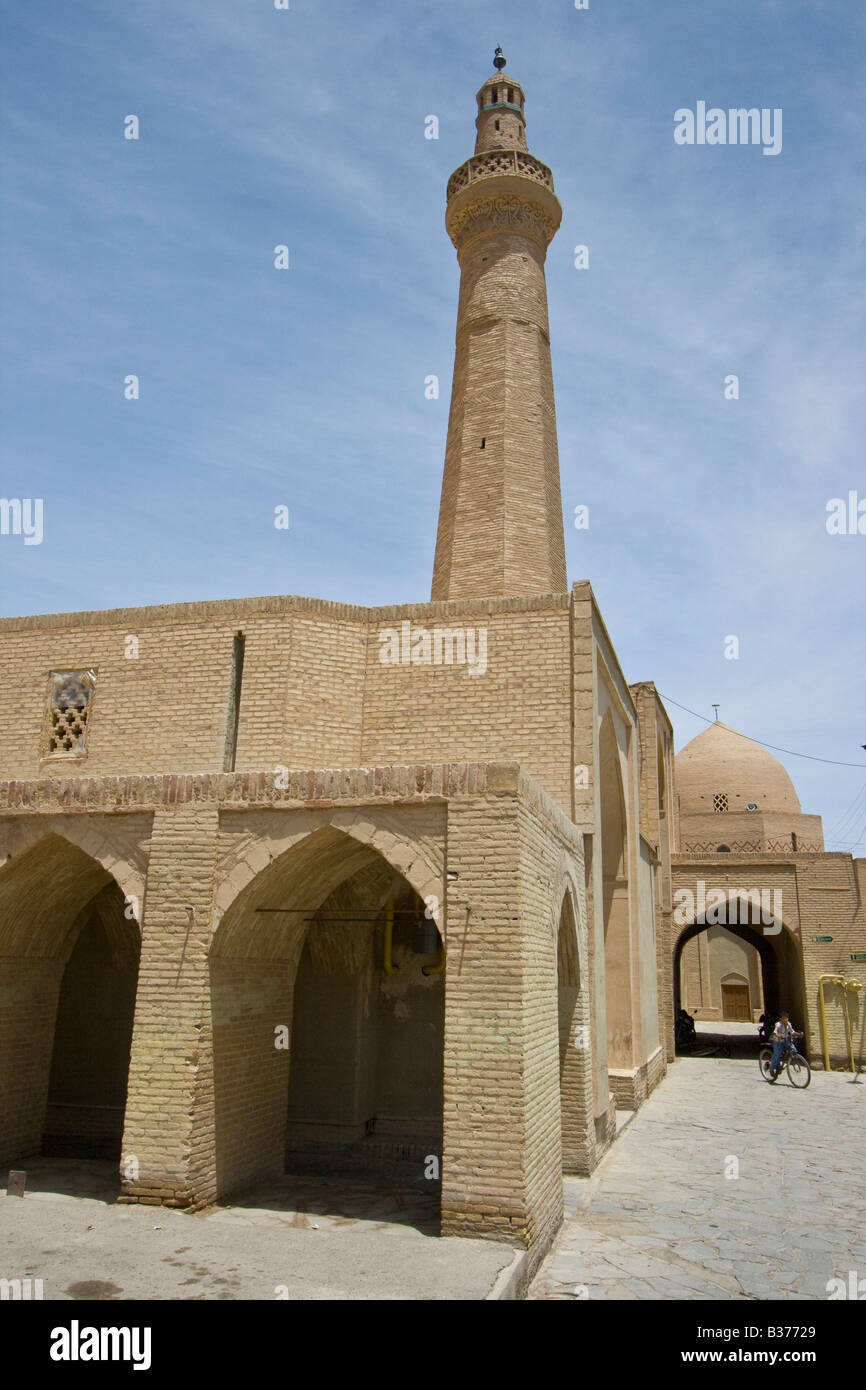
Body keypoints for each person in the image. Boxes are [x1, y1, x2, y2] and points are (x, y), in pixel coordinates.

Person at [769, 1011, 796, 1078]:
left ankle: (788, 1060)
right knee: (777, 1054)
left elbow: (792, 1032)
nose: (786, 1020)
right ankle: (772, 1068)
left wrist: (799, 1034)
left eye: (786, 1018)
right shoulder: (778, 1024)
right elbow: (774, 1033)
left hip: (785, 1039)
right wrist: (778, 1035)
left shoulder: (789, 1024)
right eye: (784, 1018)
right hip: (777, 1041)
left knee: (792, 1049)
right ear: (781, 1019)